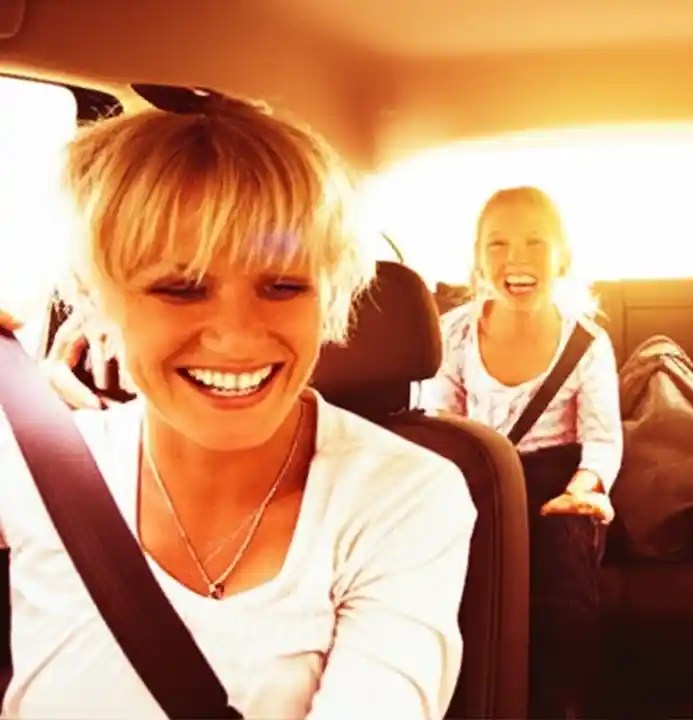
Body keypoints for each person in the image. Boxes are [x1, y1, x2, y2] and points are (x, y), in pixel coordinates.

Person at [0, 95, 476, 719]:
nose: (237, 336)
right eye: (180, 288)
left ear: (328, 298)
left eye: (283, 286)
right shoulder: (34, 465)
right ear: (101, 304)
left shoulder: (404, 496)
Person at [420, 186, 623, 718]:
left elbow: (601, 440)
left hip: (556, 482)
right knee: (461, 574)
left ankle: (562, 705)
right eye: (498, 244)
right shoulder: (456, 333)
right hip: (479, 474)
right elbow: (445, 425)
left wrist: (582, 491)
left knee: (563, 580)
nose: (516, 259)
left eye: (536, 242)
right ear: (477, 259)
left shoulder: (586, 343)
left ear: (564, 258)